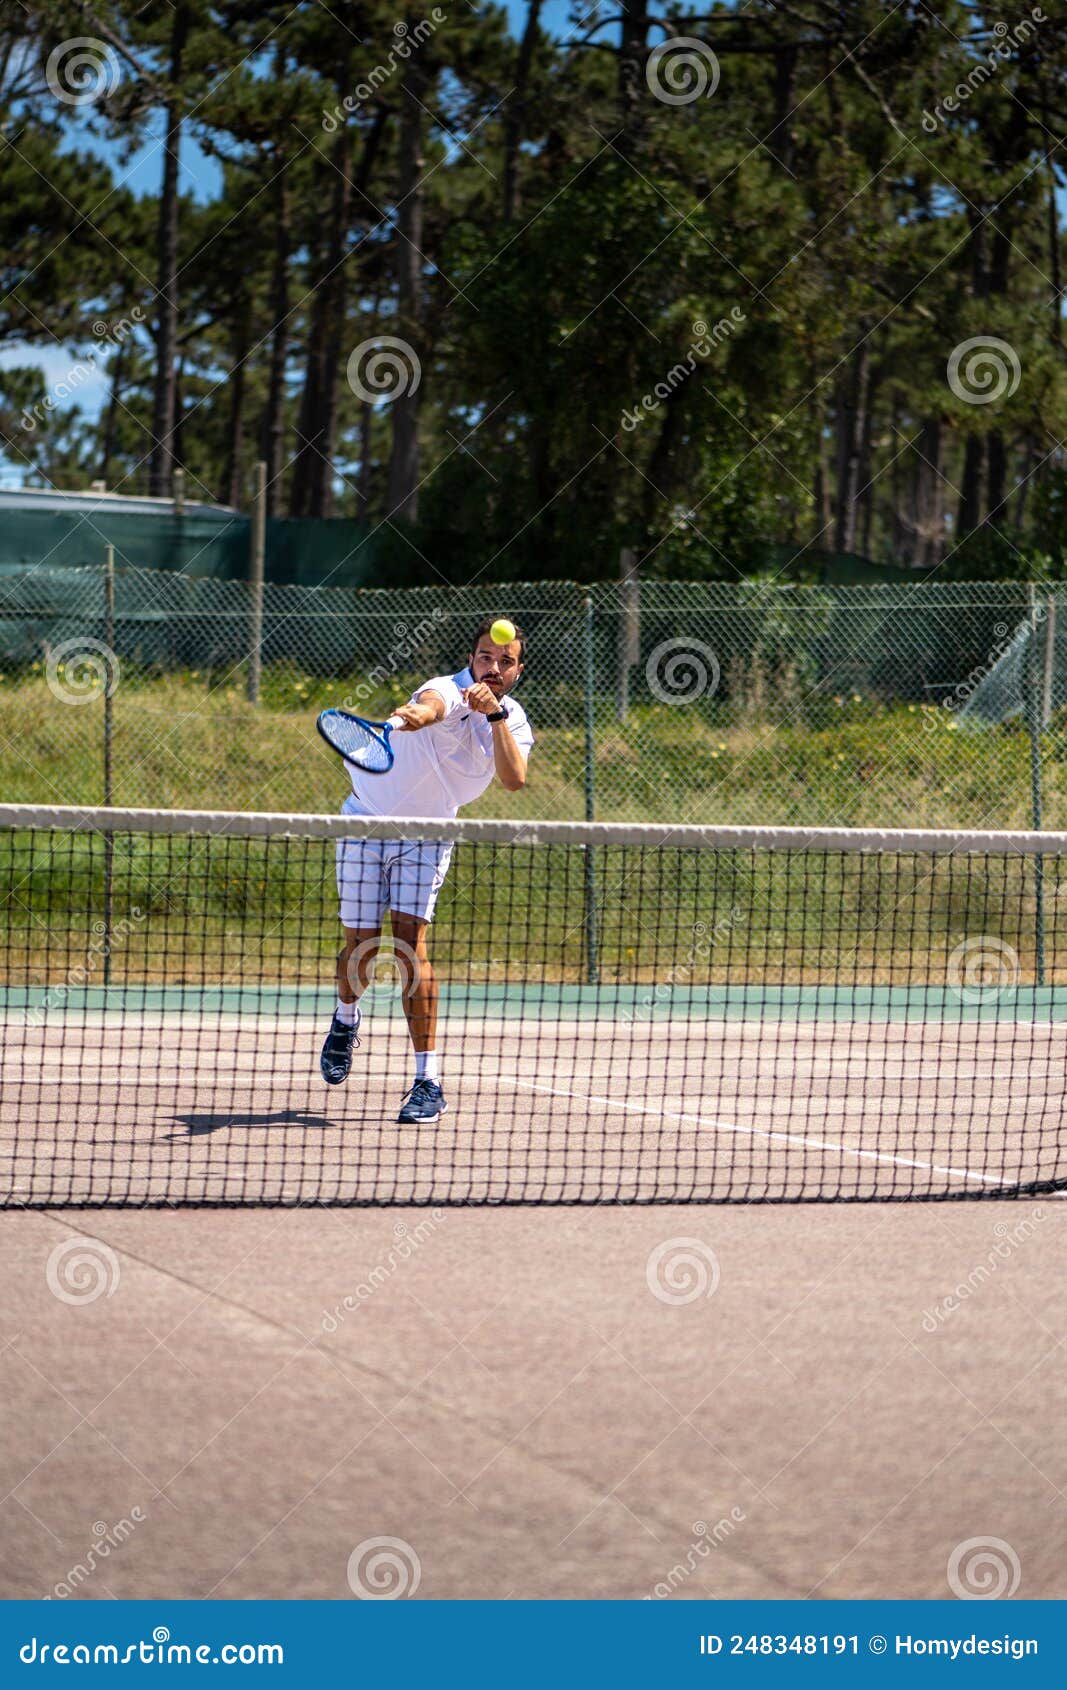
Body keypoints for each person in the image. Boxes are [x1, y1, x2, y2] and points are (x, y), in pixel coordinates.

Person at [320, 619, 533, 1123]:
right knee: (361, 946)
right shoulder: (446, 689)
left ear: (518, 669)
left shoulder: (515, 720)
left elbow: (514, 779)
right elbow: (427, 707)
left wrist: (496, 715)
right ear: (472, 658)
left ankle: (427, 1079)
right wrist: (414, 714)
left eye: (505, 661)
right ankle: (346, 1019)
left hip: (428, 834)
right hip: (366, 822)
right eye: (486, 657)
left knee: (409, 947)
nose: (494, 667)